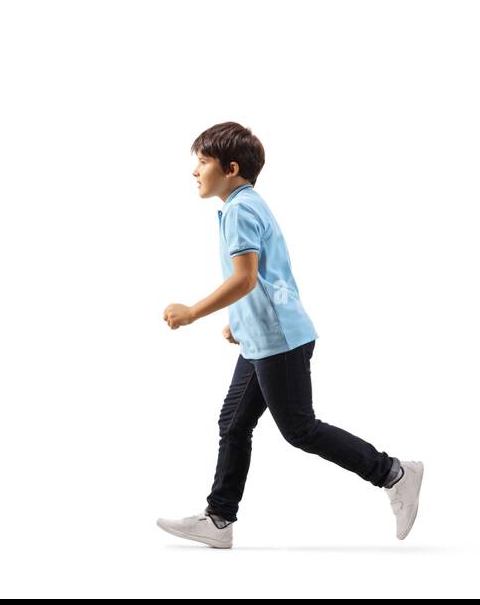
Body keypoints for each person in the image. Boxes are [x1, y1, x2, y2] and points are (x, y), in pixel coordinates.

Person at [156, 122, 421, 548]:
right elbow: (265, 278)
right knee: (234, 422)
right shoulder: (244, 204)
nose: (195, 171)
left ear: (232, 168)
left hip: (279, 342)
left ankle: (394, 472)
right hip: (264, 337)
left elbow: (244, 279)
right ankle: (219, 519)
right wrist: (240, 322)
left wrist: (192, 312)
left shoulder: (241, 209)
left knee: (300, 429)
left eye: (203, 161)